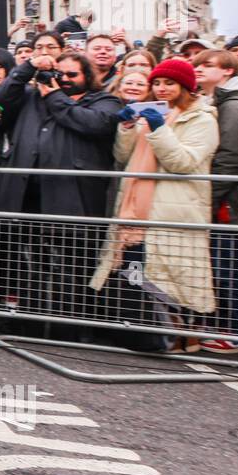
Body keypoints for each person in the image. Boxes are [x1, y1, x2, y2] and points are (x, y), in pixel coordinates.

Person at [0, 36, 122, 329]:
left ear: (87, 77)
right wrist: (29, 66)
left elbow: (92, 124)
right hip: (26, 196)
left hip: (73, 199)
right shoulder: (32, 96)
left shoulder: (105, 101)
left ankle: (71, 329)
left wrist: (54, 96)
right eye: (58, 74)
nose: (63, 80)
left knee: (73, 269)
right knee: (27, 268)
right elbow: (1, 99)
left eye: (71, 75)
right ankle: (28, 324)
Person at [91, 59, 219, 349]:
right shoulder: (150, 113)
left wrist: (160, 130)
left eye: (169, 83)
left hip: (174, 207)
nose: (161, 89)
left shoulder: (203, 119)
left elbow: (183, 162)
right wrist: (126, 127)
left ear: (185, 86)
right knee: (137, 270)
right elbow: (123, 158)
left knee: (174, 273)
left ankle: (183, 334)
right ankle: (146, 334)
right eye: (157, 83)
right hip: (137, 206)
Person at [190, 49, 238, 351]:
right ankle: (230, 325)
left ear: (228, 71)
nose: (199, 70)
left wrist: (207, 196)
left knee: (231, 265)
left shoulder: (235, 105)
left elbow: (232, 157)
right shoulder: (219, 101)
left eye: (207, 65)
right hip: (222, 198)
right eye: (197, 65)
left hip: (228, 201)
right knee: (223, 264)